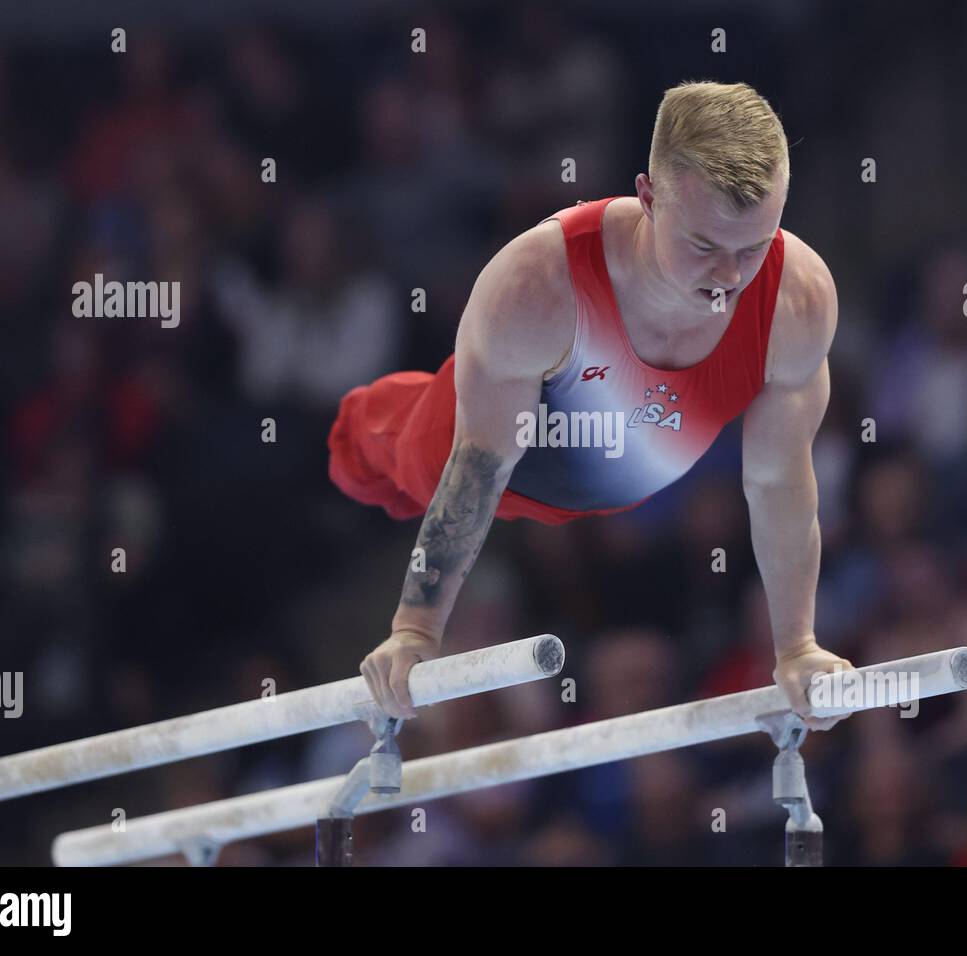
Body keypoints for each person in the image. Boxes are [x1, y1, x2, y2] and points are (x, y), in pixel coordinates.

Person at [329, 81, 852, 728]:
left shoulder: (796, 299)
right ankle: (359, 429)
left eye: (752, 248)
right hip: (501, 458)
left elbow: (778, 479)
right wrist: (415, 630)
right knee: (372, 452)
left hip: (630, 477)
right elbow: (481, 469)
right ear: (650, 196)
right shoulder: (539, 284)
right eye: (704, 247)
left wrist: (797, 647)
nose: (729, 278)